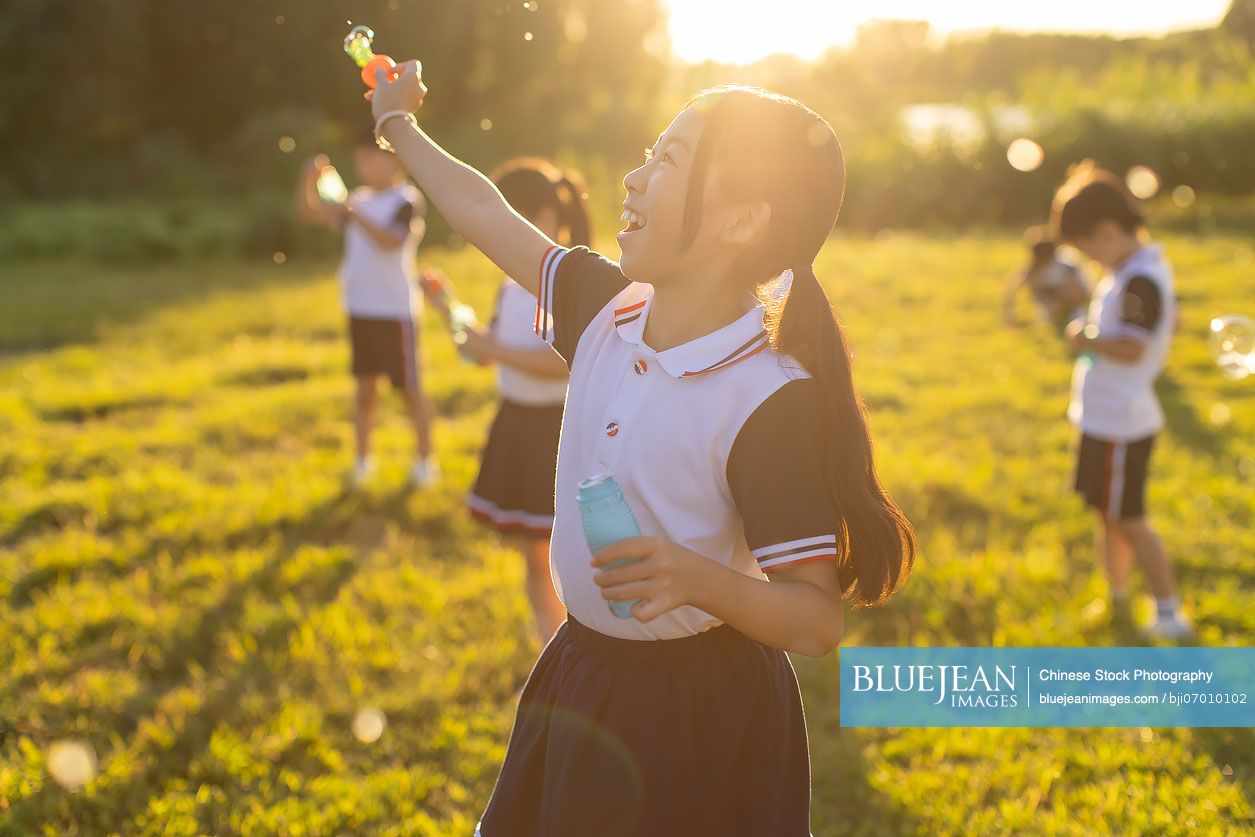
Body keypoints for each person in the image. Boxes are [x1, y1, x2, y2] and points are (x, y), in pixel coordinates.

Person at [369, 66, 916, 835]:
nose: (632, 178)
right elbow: (480, 211)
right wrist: (398, 124)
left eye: (668, 163)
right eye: (648, 152)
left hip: (699, 711)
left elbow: (814, 621)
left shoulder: (766, 397)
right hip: (582, 669)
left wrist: (697, 577)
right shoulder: (602, 307)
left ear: (738, 223)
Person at [423, 157, 592, 642]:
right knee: (535, 556)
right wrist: (446, 307)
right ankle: (551, 655)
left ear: (538, 219)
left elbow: (565, 363)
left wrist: (490, 348)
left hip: (562, 432)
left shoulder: (570, 283)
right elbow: (484, 354)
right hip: (517, 424)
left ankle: (588, 650)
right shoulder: (507, 287)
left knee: (576, 556)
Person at [1051, 160, 1192, 640]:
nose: (1089, 258)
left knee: (1129, 518)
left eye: (1086, 248)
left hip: (1122, 422)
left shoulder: (1140, 279)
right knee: (1106, 512)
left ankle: (1170, 612)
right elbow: (1165, 325)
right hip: (1105, 417)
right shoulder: (1132, 270)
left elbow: (1133, 347)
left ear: (1108, 231)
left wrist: (1084, 338)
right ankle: (1116, 596)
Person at [294, 130, 438, 489]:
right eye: (360, 160)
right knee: (364, 391)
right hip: (360, 309)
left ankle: (425, 462)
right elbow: (307, 213)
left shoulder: (407, 200)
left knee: (409, 390)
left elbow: (391, 242)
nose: (365, 166)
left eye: (372, 158)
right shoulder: (355, 200)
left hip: (395, 312)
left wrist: (353, 212)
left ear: (395, 160)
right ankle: (362, 462)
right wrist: (307, 179)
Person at [1003, 225, 1091, 336]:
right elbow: (1012, 290)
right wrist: (1010, 318)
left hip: (1077, 307)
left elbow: (1082, 294)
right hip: (1051, 310)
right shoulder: (1032, 270)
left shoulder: (1066, 265)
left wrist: (1060, 301)